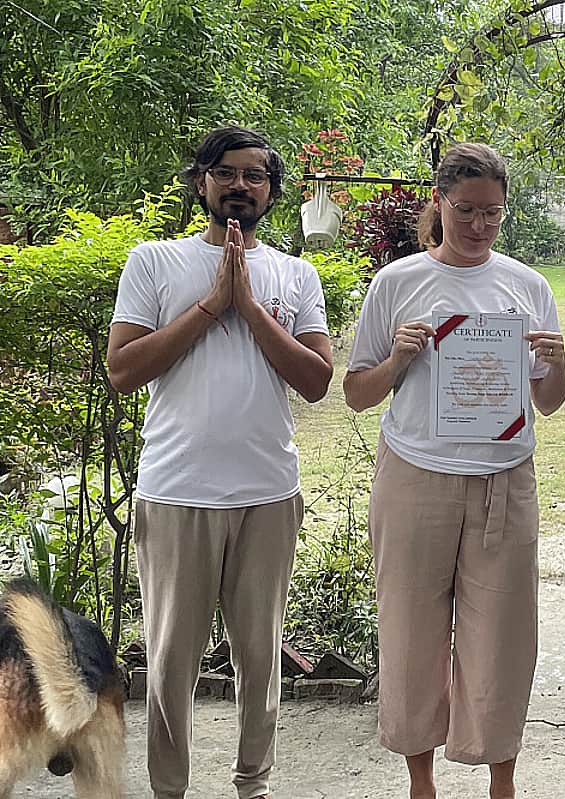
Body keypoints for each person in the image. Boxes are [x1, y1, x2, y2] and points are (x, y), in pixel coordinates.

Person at [107, 126, 333, 799]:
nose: (241, 185)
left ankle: (252, 784)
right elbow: (122, 369)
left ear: (271, 190)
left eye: (255, 175)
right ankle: (169, 789)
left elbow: (318, 379)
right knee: (171, 661)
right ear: (201, 180)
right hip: (177, 492)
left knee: (259, 656)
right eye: (227, 172)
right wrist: (212, 304)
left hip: (267, 491)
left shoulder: (296, 273)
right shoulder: (154, 262)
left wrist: (249, 306)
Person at [343, 142, 565, 799]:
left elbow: (548, 402)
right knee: (410, 630)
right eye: (466, 210)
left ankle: (503, 779)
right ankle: (421, 781)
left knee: (503, 635)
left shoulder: (527, 284)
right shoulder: (399, 282)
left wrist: (556, 362)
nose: (478, 226)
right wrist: (399, 360)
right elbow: (358, 392)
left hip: (505, 477)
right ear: (438, 202)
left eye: (493, 213)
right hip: (416, 474)